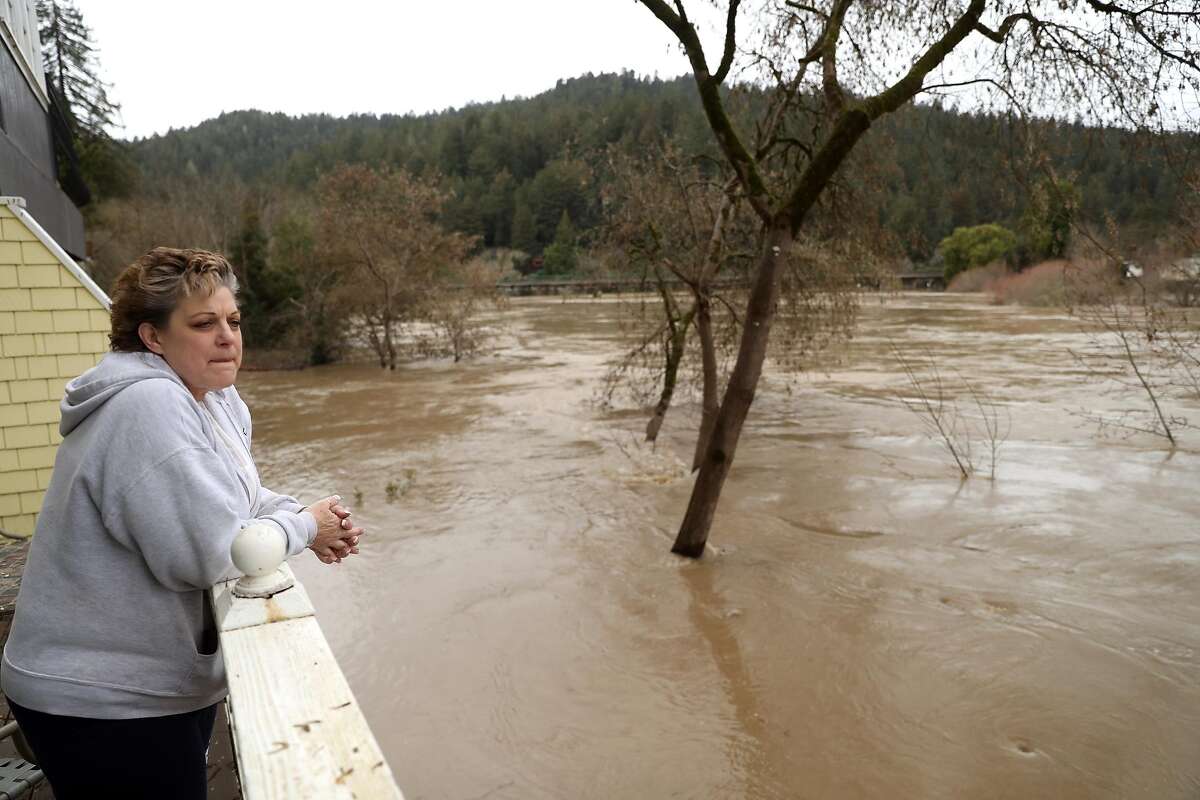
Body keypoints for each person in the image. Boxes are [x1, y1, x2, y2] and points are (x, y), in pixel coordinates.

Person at [0, 247, 362, 798]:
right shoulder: (146, 406)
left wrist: (300, 516)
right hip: (100, 698)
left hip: (146, 682)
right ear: (153, 338)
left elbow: (234, 498)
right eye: (203, 324)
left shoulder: (212, 399)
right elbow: (214, 551)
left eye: (233, 321)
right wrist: (305, 528)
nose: (228, 337)